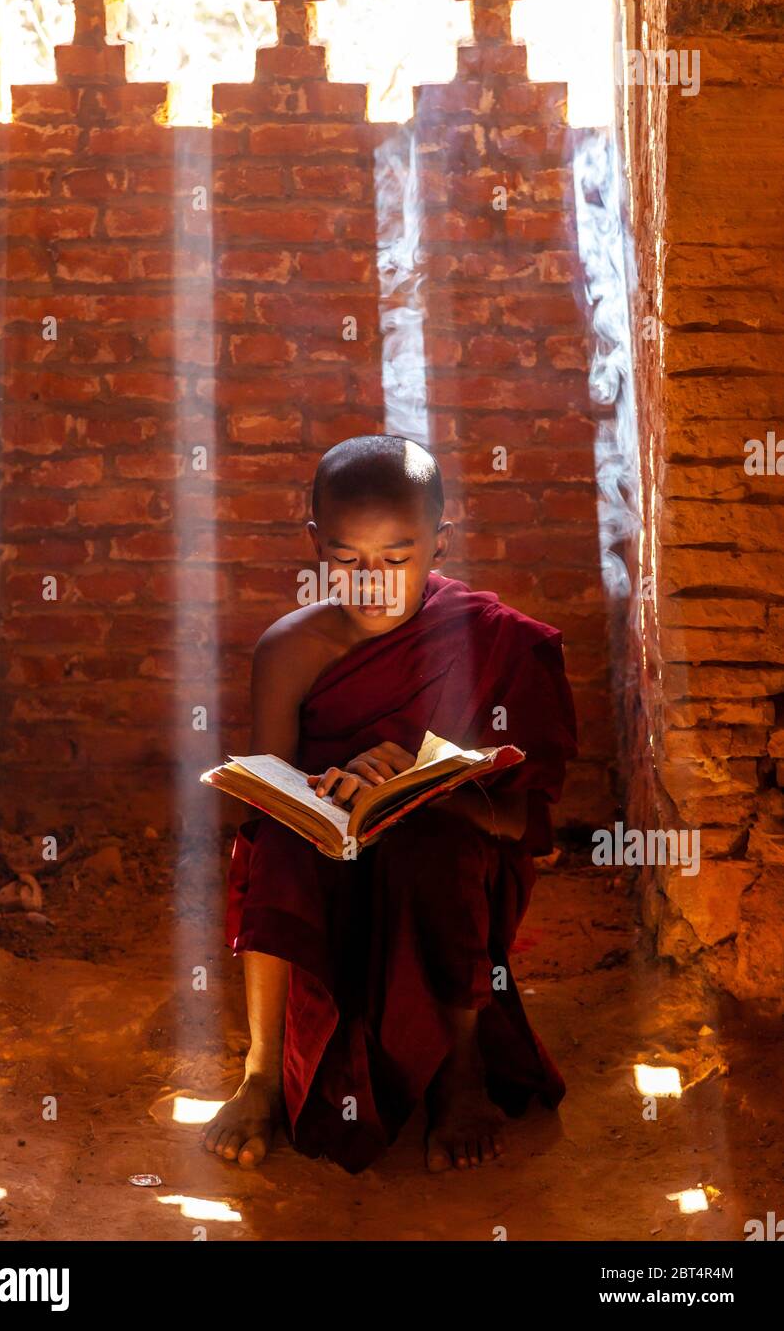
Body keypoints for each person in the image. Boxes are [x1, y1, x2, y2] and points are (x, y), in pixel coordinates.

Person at [203, 435, 577, 1173]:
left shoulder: (486, 642)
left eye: (396, 560)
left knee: (433, 855)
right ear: (315, 542)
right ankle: (260, 1072)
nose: (370, 582)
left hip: (441, 848)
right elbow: (268, 801)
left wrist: (422, 785)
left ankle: (461, 1076)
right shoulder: (289, 651)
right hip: (324, 856)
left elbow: (517, 823)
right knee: (272, 850)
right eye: (347, 560)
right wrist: (330, 794)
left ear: (440, 542)